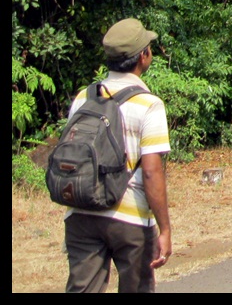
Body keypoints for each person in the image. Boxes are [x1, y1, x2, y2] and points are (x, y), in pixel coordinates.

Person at [62, 18, 172, 294]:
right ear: (143, 56)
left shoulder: (84, 97)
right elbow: (151, 172)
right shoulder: (149, 105)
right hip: (130, 218)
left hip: (82, 211)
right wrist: (165, 228)